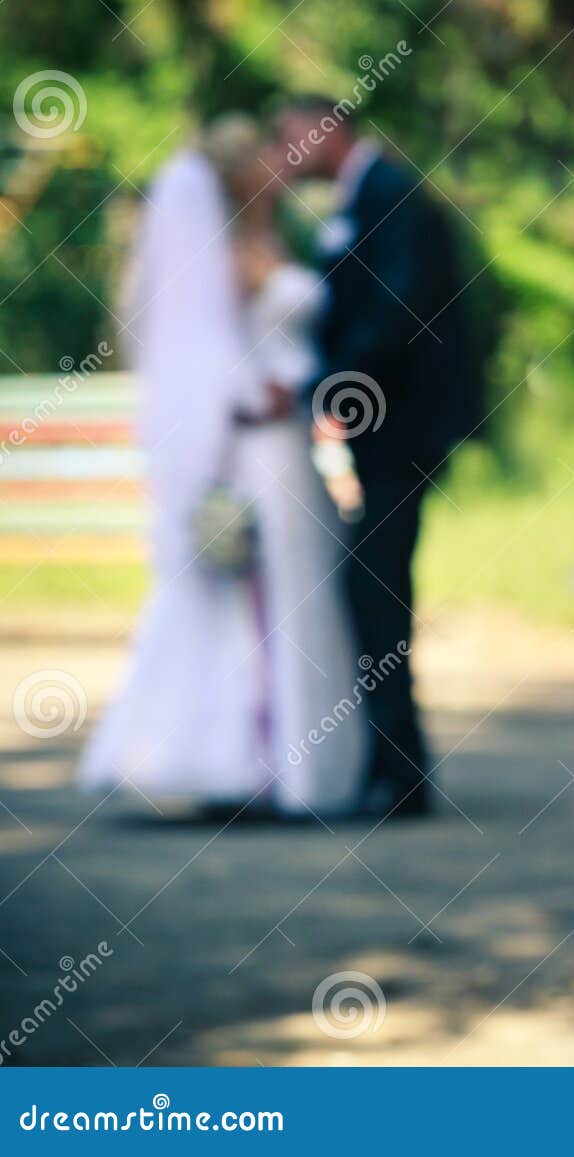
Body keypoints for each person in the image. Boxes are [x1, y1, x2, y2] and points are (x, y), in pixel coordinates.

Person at [79, 115, 365, 817]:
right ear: (244, 173)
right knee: (262, 599)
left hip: (293, 444)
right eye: (268, 154)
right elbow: (200, 350)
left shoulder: (278, 238)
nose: (281, 161)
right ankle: (260, 760)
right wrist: (253, 395)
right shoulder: (228, 254)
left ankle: (303, 762)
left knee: (303, 591)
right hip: (262, 448)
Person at [274, 97, 480, 819]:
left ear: (329, 129)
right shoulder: (364, 197)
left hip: (403, 430)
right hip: (380, 430)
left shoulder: (392, 196)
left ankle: (401, 776)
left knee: (375, 588)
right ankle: (391, 767)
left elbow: (399, 312)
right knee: (374, 585)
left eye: (291, 134)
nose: (285, 148)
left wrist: (323, 383)